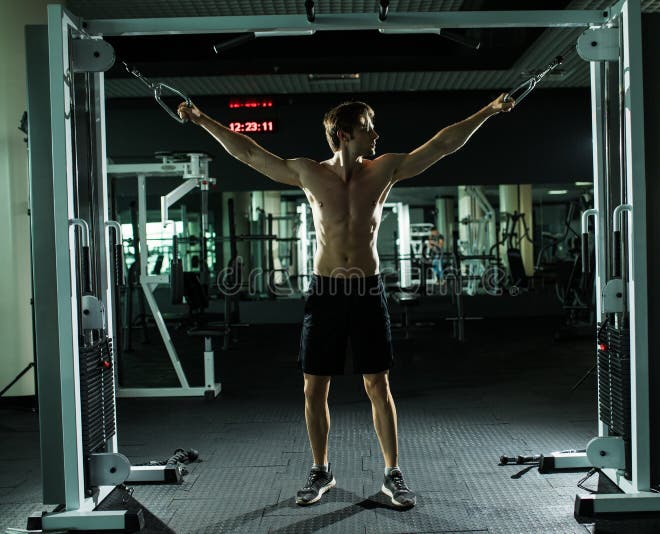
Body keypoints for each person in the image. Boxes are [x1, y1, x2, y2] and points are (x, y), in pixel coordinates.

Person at [178, 92, 515, 508]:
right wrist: (202, 120)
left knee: (378, 382)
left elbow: (442, 145)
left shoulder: (385, 169)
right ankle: (321, 471)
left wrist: (488, 111)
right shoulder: (308, 173)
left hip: (367, 290)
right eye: (368, 127)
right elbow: (248, 152)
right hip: (326, 292)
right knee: (313, 387)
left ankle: (393, 473)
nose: (376, 134)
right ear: (344, 134)